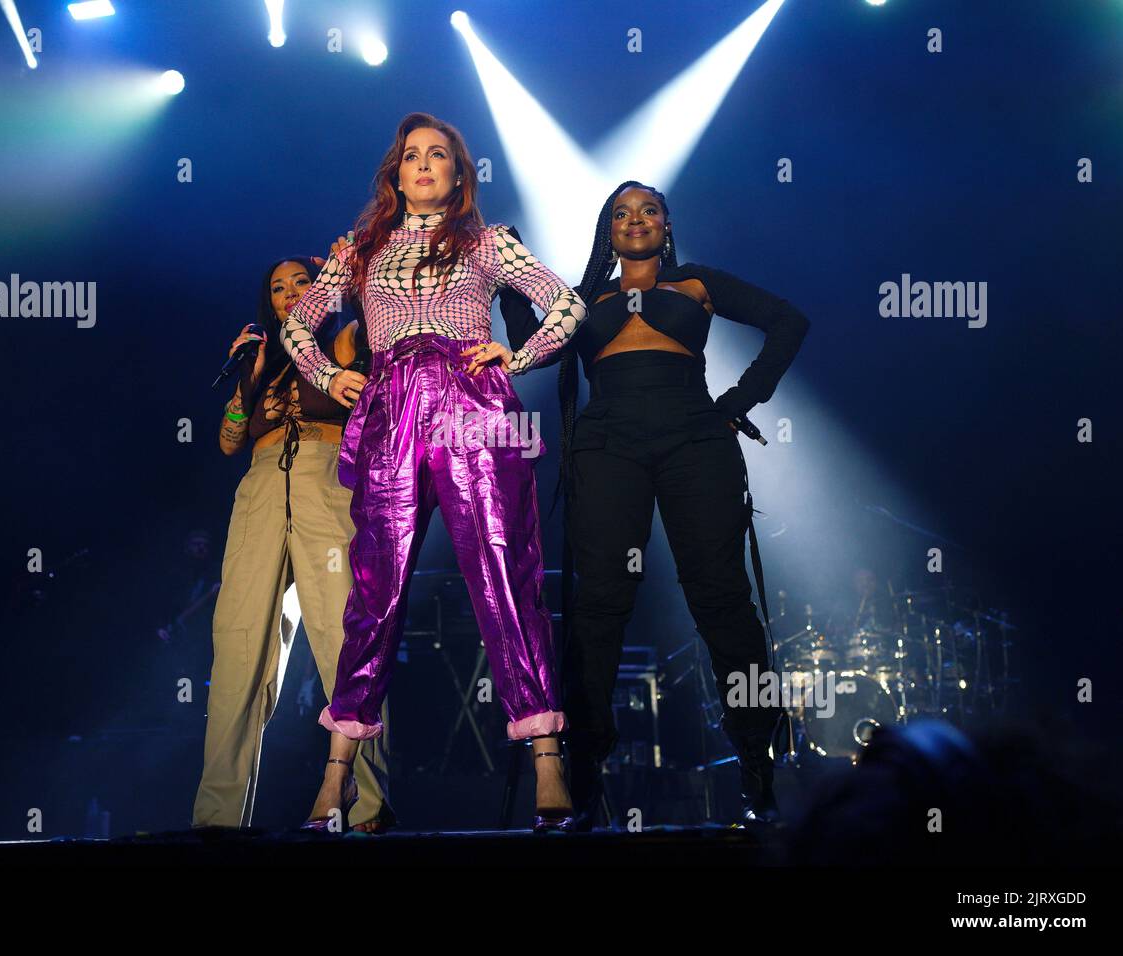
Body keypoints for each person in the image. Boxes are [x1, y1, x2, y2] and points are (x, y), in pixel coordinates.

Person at [281, 112, 587, 832]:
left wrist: (520, 354)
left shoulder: (488, 242)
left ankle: (548, 762)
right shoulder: (359, 247)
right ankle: (339, 777)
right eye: (411, 155)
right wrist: (330, 374)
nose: (423, 165)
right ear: (396, 173)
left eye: (438, 155)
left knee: (505, 577)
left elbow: (568, 303)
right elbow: (298, 321)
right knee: (375, 590)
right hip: (389, 407)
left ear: (458, 172)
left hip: (472, 404)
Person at [552, 181, 810, 827]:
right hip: (608, 438)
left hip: (693, 433)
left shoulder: (695, 282)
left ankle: (757, 765)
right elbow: (535, 350)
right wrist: (506, 281)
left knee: (720, 596)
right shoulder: (584, 299)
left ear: (666, 225)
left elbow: (788, 320)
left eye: (648, 210)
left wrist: (740, 400)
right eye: (621, 212)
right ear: (606, 231)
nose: (635, 219)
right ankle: (584, 773)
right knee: (599, 603)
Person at [192, 256, 393, 833]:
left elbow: (375, 347)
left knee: (345, 639)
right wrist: (245, 375)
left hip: (326, 479)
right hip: (258, 488)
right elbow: (229, 442)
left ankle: (369, 806)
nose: (288, 294)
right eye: (277, 288)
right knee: (238, 647)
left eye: (301, 281)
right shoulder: (263, 360)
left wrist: (351, 282)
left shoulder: (346, 336)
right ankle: (217, 817)